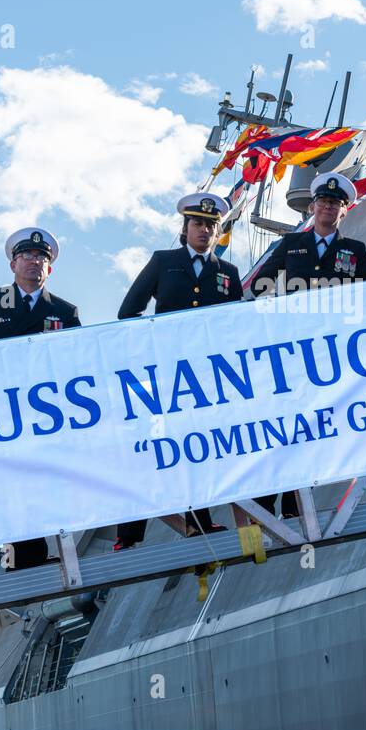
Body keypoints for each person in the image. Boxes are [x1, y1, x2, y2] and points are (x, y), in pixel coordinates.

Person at [0, 228, 80, 579]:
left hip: (38, 415)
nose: (35, 262)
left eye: (42, 258)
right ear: (13, 263)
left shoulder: (65, 312)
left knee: (32, 482)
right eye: (27, 256)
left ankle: (30, 556)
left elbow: (76, 364)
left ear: (49, 268)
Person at [248, 172, 366, 520]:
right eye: (322, 202)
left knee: (309, 432)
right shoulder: (291, 245)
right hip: (289, 353)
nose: (327, 207)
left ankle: (294, 508)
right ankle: (263, 507)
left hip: (329, 355)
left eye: (334, 204)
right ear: (312, 207)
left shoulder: (355, 252)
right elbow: (261, 285)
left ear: (343, 211)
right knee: (278, 427)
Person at [115, 193, 243, 548]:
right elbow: (129, 312)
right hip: (166, 371)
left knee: (198, 443)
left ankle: (199, 521)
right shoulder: (163, 262)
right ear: (185, 228)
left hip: (207, 374)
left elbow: (236, 324)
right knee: (160, 443)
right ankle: (131, 535)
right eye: (198, 223)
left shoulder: (228, 273)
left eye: (211, 225)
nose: (204, 230)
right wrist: (152, 346)